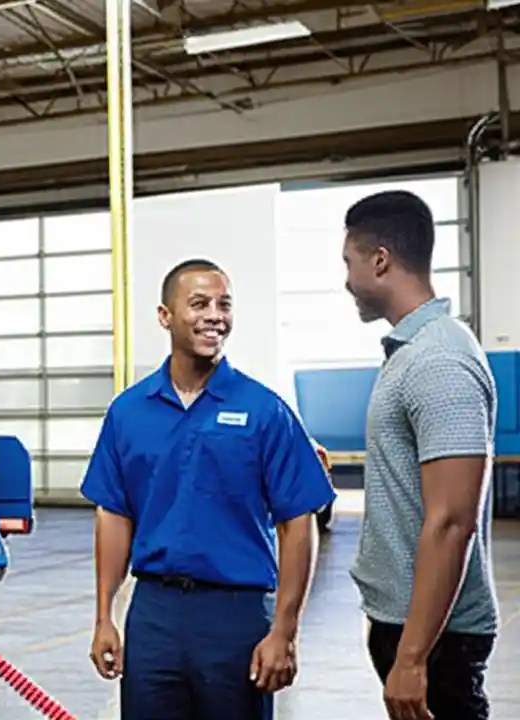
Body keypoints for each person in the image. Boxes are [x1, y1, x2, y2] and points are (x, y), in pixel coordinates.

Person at [83, 258, 336, 720]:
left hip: (236, 615)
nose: (215, 315)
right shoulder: (128, 412)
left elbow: (298, 522)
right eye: (199, 304)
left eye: (224, 304)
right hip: (154, 613)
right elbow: (113, 514)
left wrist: (284, 629)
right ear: (165, 316)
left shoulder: (264, 411)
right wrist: (104, 617)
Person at [342, 190, 498, 720]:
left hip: (436, 639)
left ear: (380, 260)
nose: (346, 280)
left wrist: (412, 657)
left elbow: (453, 521)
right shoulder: (413, 353)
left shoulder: (439, 360)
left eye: (349, 262)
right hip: (413, 627)